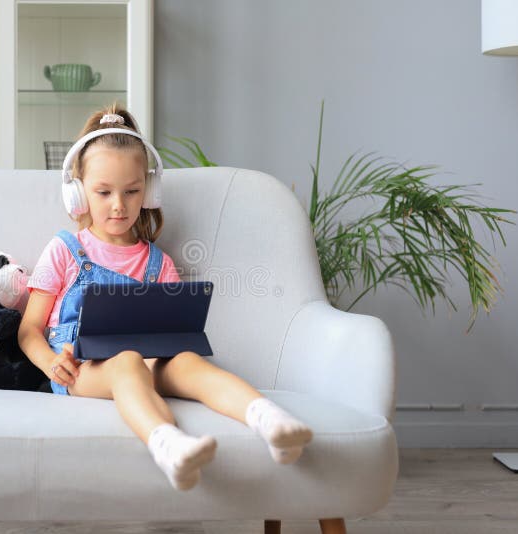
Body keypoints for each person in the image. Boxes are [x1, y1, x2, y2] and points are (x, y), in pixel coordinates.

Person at [17, 104, 313, 491]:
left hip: (149, 360)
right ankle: (167, 444)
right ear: (78, 192)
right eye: (103, 192)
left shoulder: (159, 263)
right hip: (81, 369)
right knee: (125, 362)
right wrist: (51, 363)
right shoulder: (64, 250)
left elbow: (169, 334)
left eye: (132, 191)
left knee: (188, 362)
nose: (119, 204)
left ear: (149, 191)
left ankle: (271, 421)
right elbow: (28, 330)